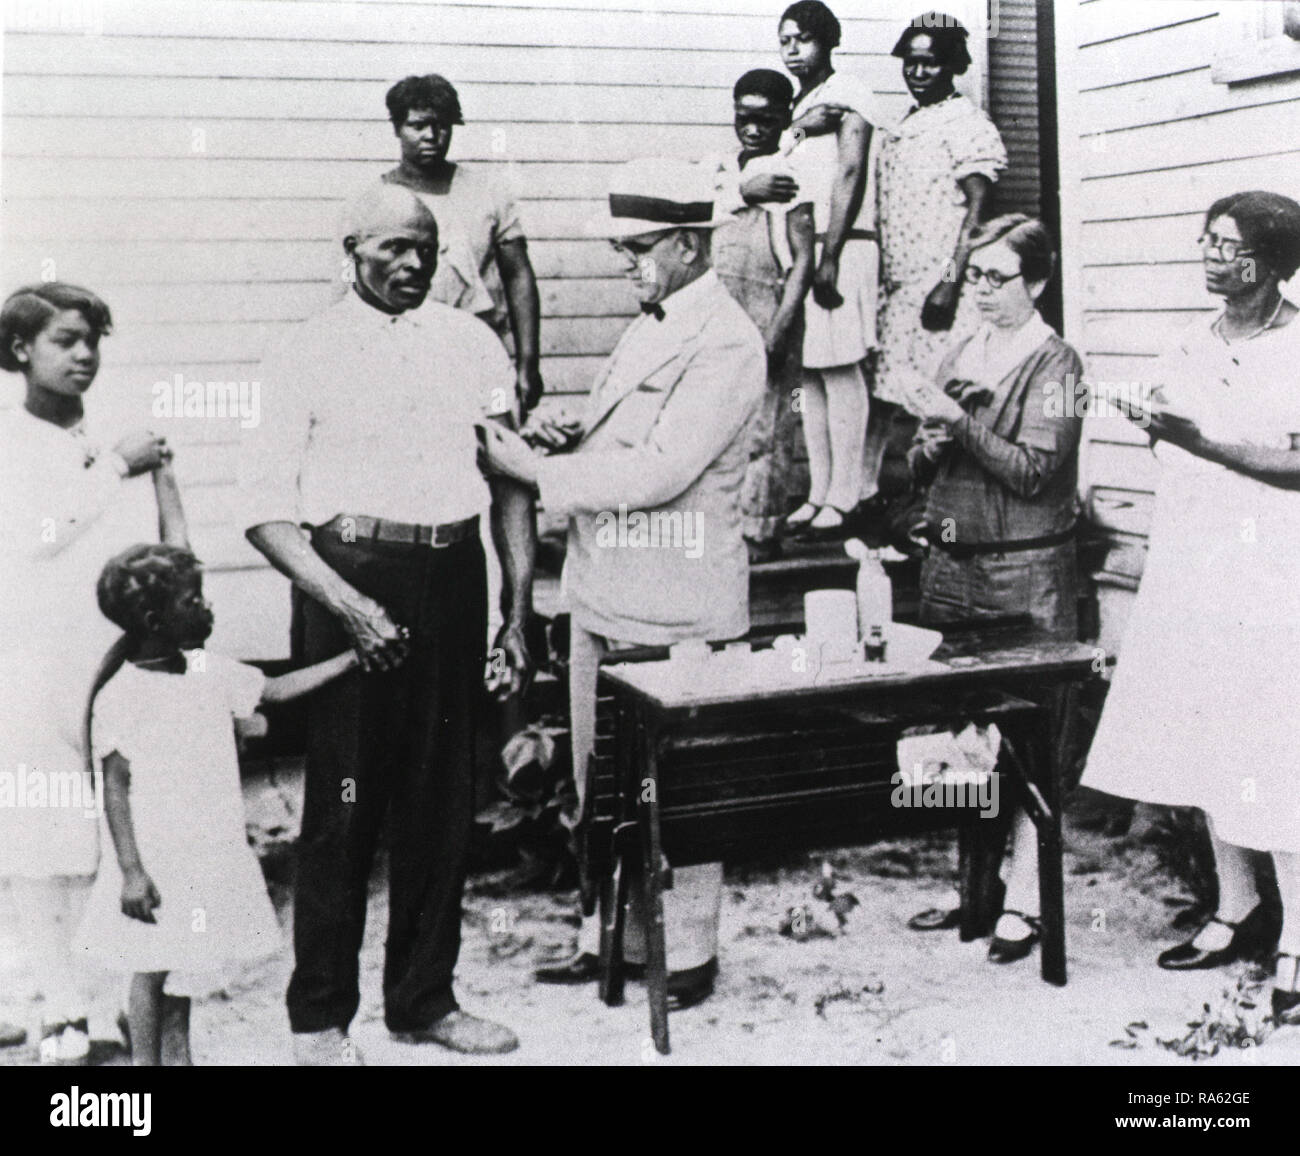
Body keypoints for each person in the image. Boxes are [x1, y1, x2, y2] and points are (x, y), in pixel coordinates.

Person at [240, 183, 535, 1062]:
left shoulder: (472, 340)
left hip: (452, 579)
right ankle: (320, 1022)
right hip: (347, 580)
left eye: (425, 248)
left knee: (443, 802)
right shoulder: (304, 351)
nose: (410, 265)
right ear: (351, 249)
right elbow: (264, 513)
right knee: (344, 806)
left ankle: (424, 1001)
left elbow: (513, 480)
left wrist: (516, 614)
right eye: (389, 250)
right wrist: (350, 606)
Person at [480, 157, 766, 1009]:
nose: (627, 263)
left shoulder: (726, 339)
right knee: (603, 781)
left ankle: (688, 959)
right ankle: (613, 939)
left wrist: (533, 469)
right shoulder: (656, 319)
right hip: (607, 593)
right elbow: (625, 444)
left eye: (638, 248)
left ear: (687, 243)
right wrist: (571, 437)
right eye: (621, 249)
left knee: (682, 794)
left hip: (678, 604)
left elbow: (663, 471)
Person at [1081, 191, 1300, 1022]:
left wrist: (1195, 440)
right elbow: (1170, 435)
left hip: (1274, 574)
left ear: (1272, 261)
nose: (1211, 255)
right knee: (1212, 735)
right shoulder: (1189, 339)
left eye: (1228, 245)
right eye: (1204, 240)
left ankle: (1298, 941)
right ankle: (1235, 909)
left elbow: (1294, 465)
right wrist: (1162, 428)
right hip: (1196, 568)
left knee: (1276, 750)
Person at [76, 544, 358, 1065]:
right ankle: (145, 1065)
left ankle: (178, 1056)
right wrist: (132, 871)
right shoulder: (122, 694)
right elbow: (113, 788)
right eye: (194, 600)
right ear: (156, 620)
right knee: (151, 967)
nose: (208, 609)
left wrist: (350, 658)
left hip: (203, 852)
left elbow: (274, 689)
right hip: (156, 859)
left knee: (185, 959)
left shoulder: (206, 668)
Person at [0, 283, 184, 1063]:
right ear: (20, 351)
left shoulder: (112, 437)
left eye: (93, 342)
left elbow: (162, 543)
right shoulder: (12, 438)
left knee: (115, 832)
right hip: (33, 664)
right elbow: (37, 534)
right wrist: (115, 464)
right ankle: (59, 1011)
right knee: (42, 838)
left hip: (110, 664)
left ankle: (108, 1007)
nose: (84, 356)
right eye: (65, 341)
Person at [904, 215, 1084, 962]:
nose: (977, 289)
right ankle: (971, 887)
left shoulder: (1059, 365)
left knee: (1029, 742)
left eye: (995, 277)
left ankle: (1027, 899)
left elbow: (1037, 475)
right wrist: (930, 441)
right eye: (972, 274)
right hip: (951, 566)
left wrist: (959, 421)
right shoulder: (962, 348)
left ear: (1036, 282)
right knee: (956, 736)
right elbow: (918, 468)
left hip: (1023, 574)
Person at [868, 13, 1007, 532]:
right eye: (911, 61)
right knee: (902, 400)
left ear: (952, 66)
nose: (919, 71)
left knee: (941, 401)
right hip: (902, 288)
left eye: (931, 62)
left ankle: (945, 516)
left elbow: (976, 212)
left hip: (940, 287)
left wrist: (950, 282)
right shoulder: (904, 124)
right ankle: (909, 516)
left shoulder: (966, 124)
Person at [761, 0, 883, 537]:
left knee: (840, 367)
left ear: (829, 41)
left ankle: (848, 494)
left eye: (803, 38)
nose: (792, 48)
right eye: (784, 39)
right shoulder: (801, 107)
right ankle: (819, 492)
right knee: (810, 373)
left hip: (842, 247)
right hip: (803, 250)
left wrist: (831, 254)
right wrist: (798, 128)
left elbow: (851, 170)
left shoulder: (848, 93)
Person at [376, 73, 545, 416]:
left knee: (495, 442)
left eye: (442, 126)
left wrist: (528, 362)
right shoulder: (376, 200)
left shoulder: (488, 192)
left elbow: (518, 275)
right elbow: (351, 283)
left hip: (482, 352)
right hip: (402, 356)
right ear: (397, 128)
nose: (431, 136)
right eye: (418, 125)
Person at [708, 68, 816, 561]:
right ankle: (719, 522)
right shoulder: (717, 168)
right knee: (717, 420)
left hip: (771, 306)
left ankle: (760, 529)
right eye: (744, 118)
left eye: (766, 120)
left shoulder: (793, 171)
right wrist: (745, 192)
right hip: (720, 306)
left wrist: (779, 328)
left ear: (785, 119)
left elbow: (803, 261)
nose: (753, 129)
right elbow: (699, 218)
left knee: (768, 426)